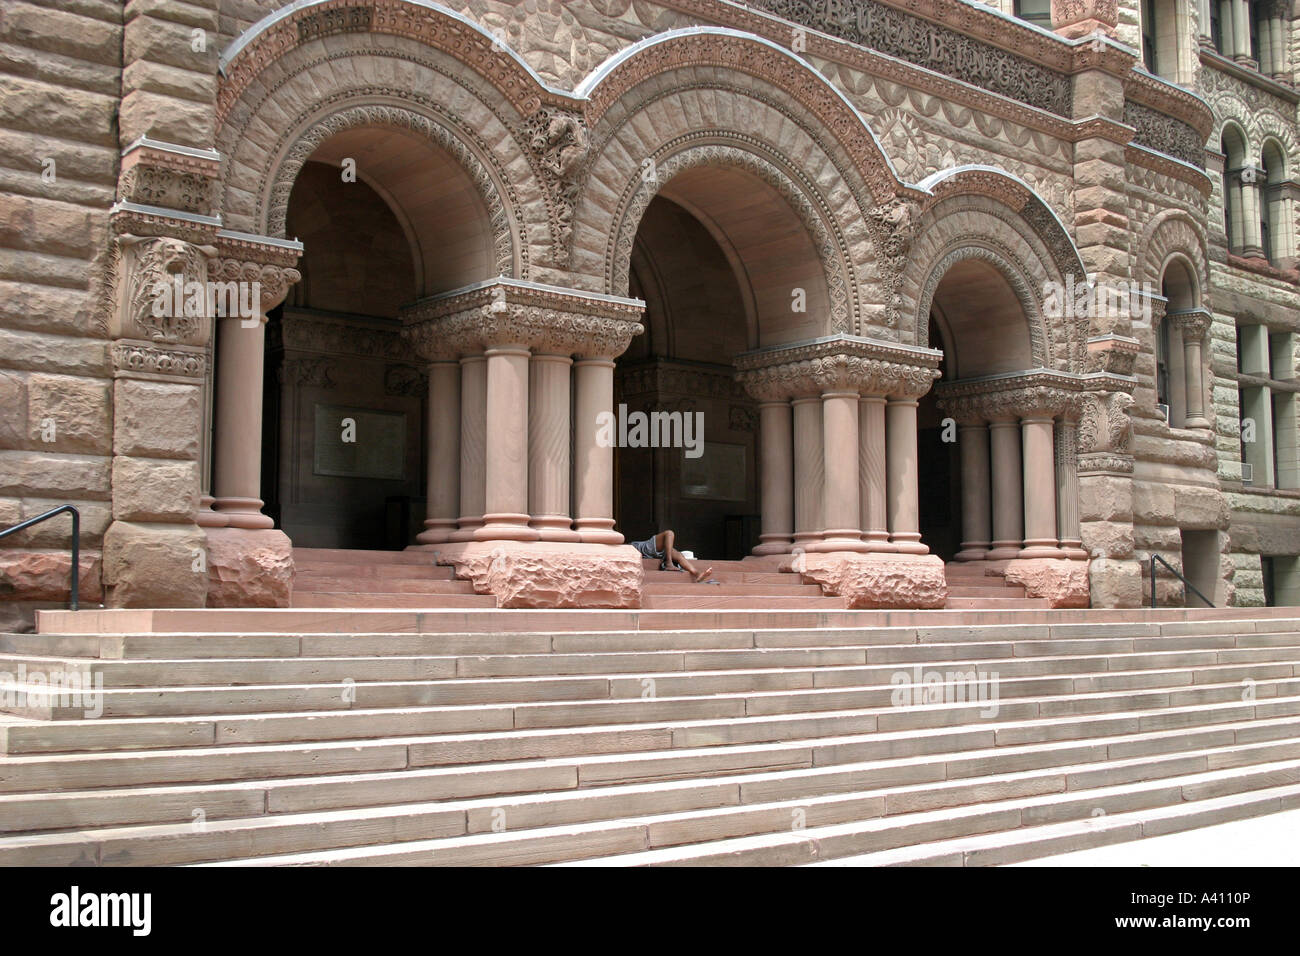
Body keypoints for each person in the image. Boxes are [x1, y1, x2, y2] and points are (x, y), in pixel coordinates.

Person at [629, 529, 714, 583]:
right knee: (669, 533)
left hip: (654, 552)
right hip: (638, 548)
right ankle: (669, 563)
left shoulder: (667, 550)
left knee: (678, 555)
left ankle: (697, 574)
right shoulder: (633, 546)